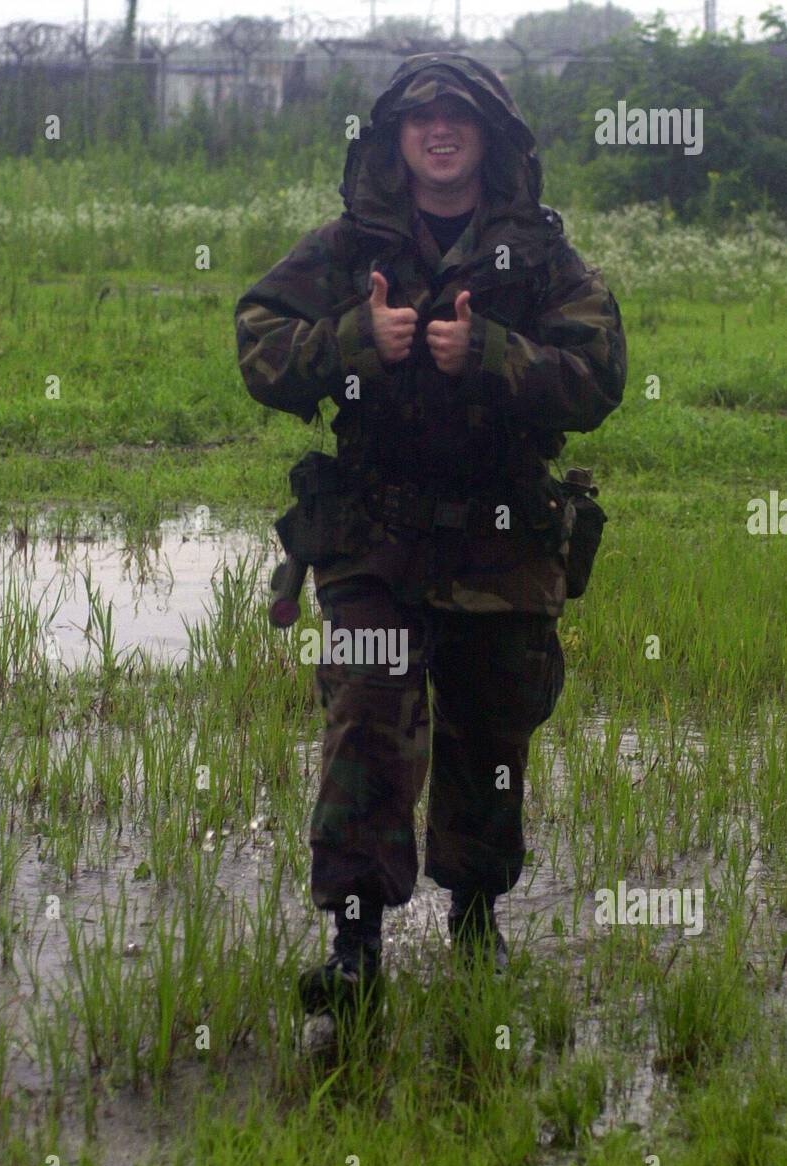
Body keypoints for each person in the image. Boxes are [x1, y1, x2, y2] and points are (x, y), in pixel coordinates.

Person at [235, 52, 627, 1018]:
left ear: (489, 138)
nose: (439, 132)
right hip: (377, 536)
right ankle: (355, 939)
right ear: (395, 139)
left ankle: (478, 915)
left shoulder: (538, 255)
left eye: (459, 118)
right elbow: (258, 343)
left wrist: (491, 353)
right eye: (421, 120)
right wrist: (352, 342)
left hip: (504, 541)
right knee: (366, 720)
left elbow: (599, 377)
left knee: (493, 731)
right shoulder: (344, 245)